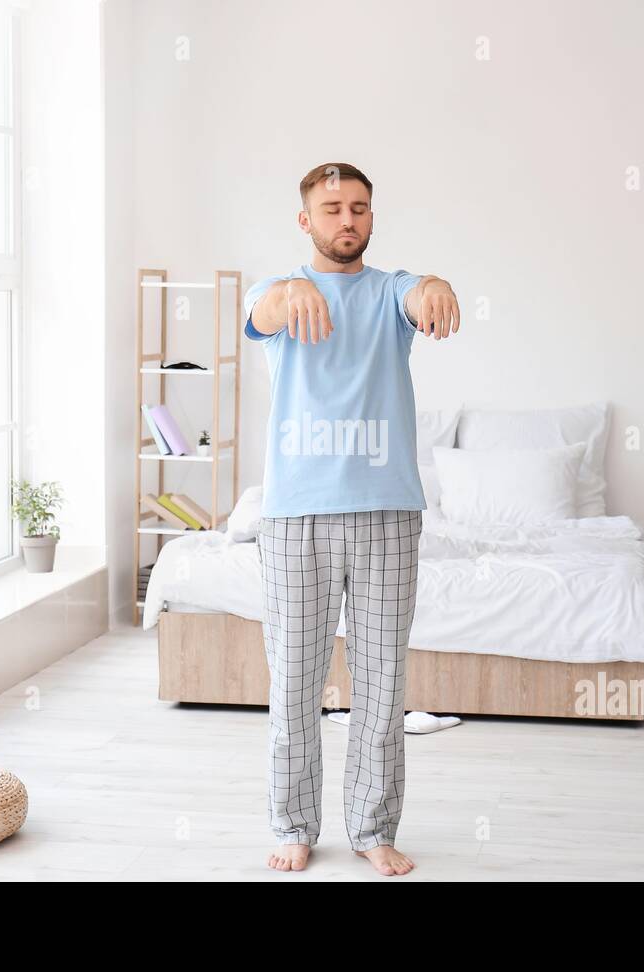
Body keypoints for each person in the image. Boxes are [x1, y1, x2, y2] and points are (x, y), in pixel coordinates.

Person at [243, 162, 460, 876]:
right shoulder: (275, 295)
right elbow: (265, 312)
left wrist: (437, 288)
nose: (347, 220)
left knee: (381, 684)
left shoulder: (390, 291)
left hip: (388, 515)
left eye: (359, 209)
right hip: (296, 518)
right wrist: (293, 289)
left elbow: (419, 290)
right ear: (306, 221)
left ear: (371, 219)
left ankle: (372, 829)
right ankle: (293, 824)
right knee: (295, 682)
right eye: (332, 209)